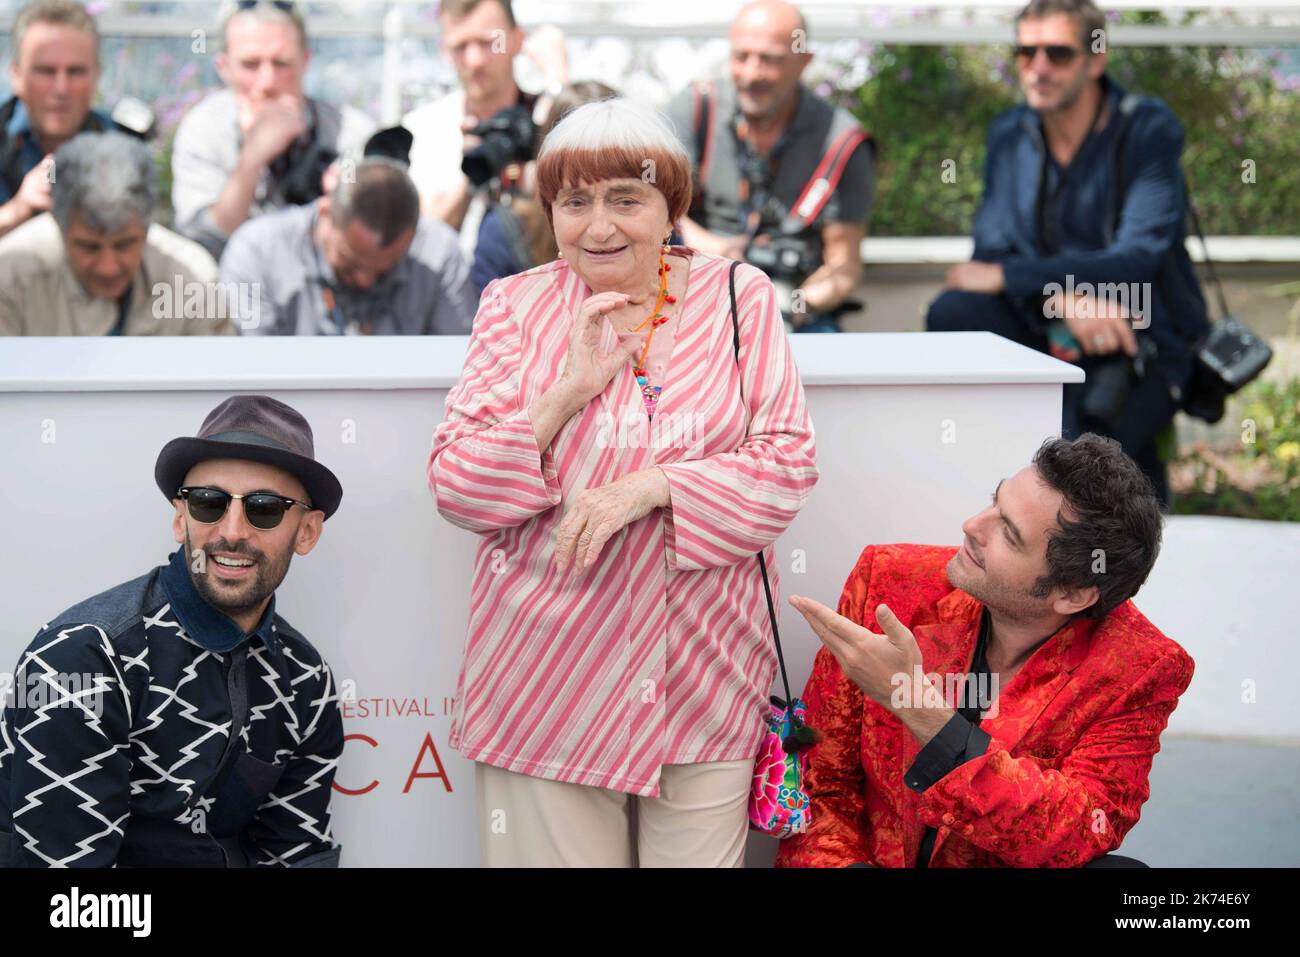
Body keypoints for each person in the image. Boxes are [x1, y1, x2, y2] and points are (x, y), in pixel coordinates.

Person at [427, 97, 818, 867]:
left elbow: (787, 463)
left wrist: (651, 487)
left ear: (671, 205)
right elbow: (456, 484)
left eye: (625, 198)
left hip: (703, 674)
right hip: (548, 682)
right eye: (575, 201)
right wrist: (563, 394)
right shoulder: (515, 306)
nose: (598, 226)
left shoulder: (741, 298)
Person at [774, 433, 1194, 868]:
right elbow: (819, 783)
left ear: (1072, 594)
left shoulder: (1140, 666)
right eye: (994, 502)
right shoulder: (890, 583)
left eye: (1009, 535)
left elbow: (1083, 827)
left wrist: (920, 708)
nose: (972, 526)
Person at [0, 395, 346, 867]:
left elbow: (296, 854)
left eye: (264, 508)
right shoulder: (80, 658)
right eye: (209, 503)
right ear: (180, 518)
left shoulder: (306, 678)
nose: (233, 531)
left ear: (306, 532)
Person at [925, 0, 1208, 507]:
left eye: (1057, 53)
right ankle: (983, 489)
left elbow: (1138, 258)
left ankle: (1121, 486)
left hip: (1137, 324)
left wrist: (1039, 286)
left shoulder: (1146, 129)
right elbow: (989, 255)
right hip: (1046, 321)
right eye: (1025, 52)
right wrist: (1060, 301)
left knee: (1102, 494)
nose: (1038, 68)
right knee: (953, 310)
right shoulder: (1009, 133)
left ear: (1095, 59)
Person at [666, 0, 874, 333]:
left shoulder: (842, 141)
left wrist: (789, 307)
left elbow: (844, 266)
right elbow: (651, 212)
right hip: (694, 291)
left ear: (804, 62)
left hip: (794, 306)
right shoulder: (694, 108)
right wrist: (718, 253)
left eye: (770, 60)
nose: (751, 74)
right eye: (741, 56)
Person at [170, 0, 377, 259]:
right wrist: (252, 157)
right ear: (223, 67)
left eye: (281, 64)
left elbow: (376, 243)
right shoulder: (203, 130)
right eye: (250, 65)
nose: (267, 83)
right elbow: (205, 244)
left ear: (305, 61)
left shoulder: (350, 132)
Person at [0, 131, 232, 336]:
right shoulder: (10, 276)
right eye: (89, 247)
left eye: (124, 244)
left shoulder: (194, 277)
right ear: (59, 226)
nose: (108, 267)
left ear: (147, 226)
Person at [219, 156, 476, 335]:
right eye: (350, 261)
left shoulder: (438, 254)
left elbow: (457, 370)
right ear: (326, 212)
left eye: (386, 268)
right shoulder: (257, 253)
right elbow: (252, 379)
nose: (365, 281)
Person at [402, 0, 568, 258]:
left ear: (517, 40)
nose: (475, 60)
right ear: (444, 49)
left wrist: (560, 85)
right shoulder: (423, 130)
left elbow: (588, 197)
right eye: (460, 47)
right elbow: (419, 246)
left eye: (488, 43)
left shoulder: (546, 118)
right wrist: (474, 172)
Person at [0, 0, 139, 239]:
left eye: (76, 72)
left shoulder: (125, 143)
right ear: (16, 75)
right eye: (45, 71)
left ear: (97, 75)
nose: (61, 88)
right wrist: (16, 210)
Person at [470, 80, 616, 295]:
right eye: (576, 201)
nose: (600, 230)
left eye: (625, 200)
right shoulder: (502, 234)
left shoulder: (654, 224)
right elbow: (487, 321)